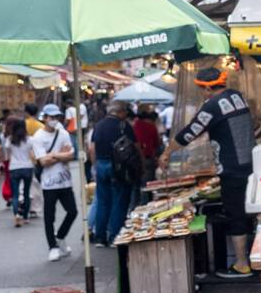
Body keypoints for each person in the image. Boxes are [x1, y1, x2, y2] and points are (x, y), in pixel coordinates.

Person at [160, 66, 256, 278]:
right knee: (247, 214)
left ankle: (242, 265)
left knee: (235, 215)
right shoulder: (237, 96)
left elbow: (188, 134)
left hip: (232, 170)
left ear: (205, 88)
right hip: (251, 165)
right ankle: (254, 259)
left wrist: (166, 153)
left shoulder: (211, 107)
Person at [31, 105, 77, 262]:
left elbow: (71, 155)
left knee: (73, 211)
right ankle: (53, 246)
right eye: (51, 117)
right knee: (49, 216)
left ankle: (60, 236)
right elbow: (43, 161)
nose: (54, 120)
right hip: (48, 182)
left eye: (57, 117)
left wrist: (54, 155)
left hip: (65, 180)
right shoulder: (38, 137)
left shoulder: (63, 133)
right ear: (44, 118)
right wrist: (61, 155)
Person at [89, 101, 138, 245]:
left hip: (101, 165)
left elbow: (92, 149)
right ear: (120, 112)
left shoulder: (98, 125)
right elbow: (135, 147)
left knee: (103, 202)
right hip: (119, 168)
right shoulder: (124, 126)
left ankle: (100, 237)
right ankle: (115, 237)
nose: (126, 116)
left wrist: (95, 166)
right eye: (125, 113)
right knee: (119, 201)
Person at [3, 118, 35, 227]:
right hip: (27, 167)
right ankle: (25, 217)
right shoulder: (30, 140)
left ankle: (16, 214)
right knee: (26, 193)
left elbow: (7, 153)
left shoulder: (10, 139)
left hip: (14, 168)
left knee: (15, 195)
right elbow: (33, 152)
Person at [131, 107, 163, 196]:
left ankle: (134, 205)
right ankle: (145, 204)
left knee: (136, 187)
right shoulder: (151, 127)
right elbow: (157, 144)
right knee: (147, 185)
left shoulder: (133, 126)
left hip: (133, 160)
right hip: (147, 158)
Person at [24, 102, 45, 219]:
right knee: (36, 184)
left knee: (27, 185)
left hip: (24, 158)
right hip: (38, 158)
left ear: (26, 112)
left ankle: (27, 206)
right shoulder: (41, 126)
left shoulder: (22, 125)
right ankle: (35, 207)